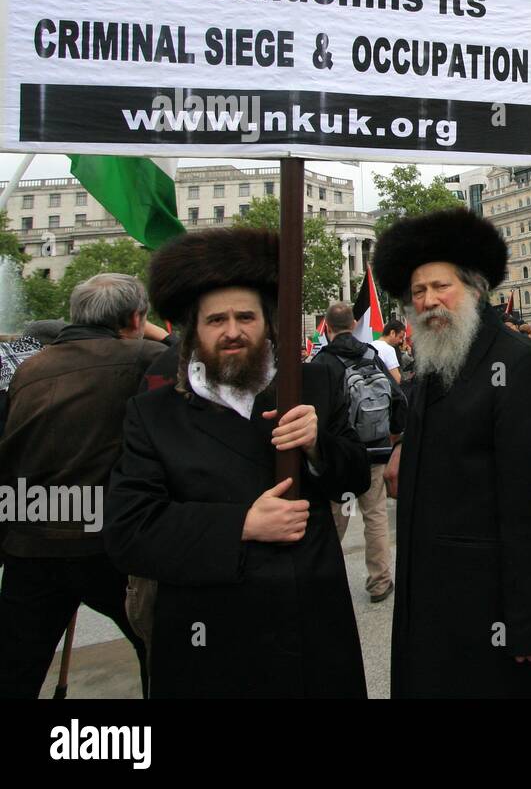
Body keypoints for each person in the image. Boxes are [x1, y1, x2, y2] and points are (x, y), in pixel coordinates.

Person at [104, 229, 369, 698]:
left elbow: (353, 477)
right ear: (194, 329)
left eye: (245, 316)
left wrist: (317, 445)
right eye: (216, 319)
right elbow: (130, 532)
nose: (232, 331)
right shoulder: (153, 413)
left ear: (267, 322)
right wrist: (240, 524)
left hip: (310, 627)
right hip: (209, 639)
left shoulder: (315, 384)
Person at [373, 208, 531, 698]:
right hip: (430, 595)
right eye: (419, 292)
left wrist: (527, 619)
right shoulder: (435, 364)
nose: (429, 301)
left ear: (475, 290)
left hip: (489, 605)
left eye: (441, 287)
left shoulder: (519, 368)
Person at [0, 275, 166, 697]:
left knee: (16, 667)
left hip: (28, 538)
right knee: (161, 650)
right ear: (134, 317)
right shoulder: (143, 355)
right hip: (104, 543)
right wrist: (155, 332)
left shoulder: (30, 368)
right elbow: (195, 362)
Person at [311, 302, 404, 603]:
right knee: (375, 515)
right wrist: (394, 436)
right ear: (353, 324)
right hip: (376, 449)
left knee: (337, 518)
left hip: (340, 455)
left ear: (326, 326)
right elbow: (399, 398)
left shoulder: (322, 361)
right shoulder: (371, 355)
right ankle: (380, 582)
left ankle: (325, 579)